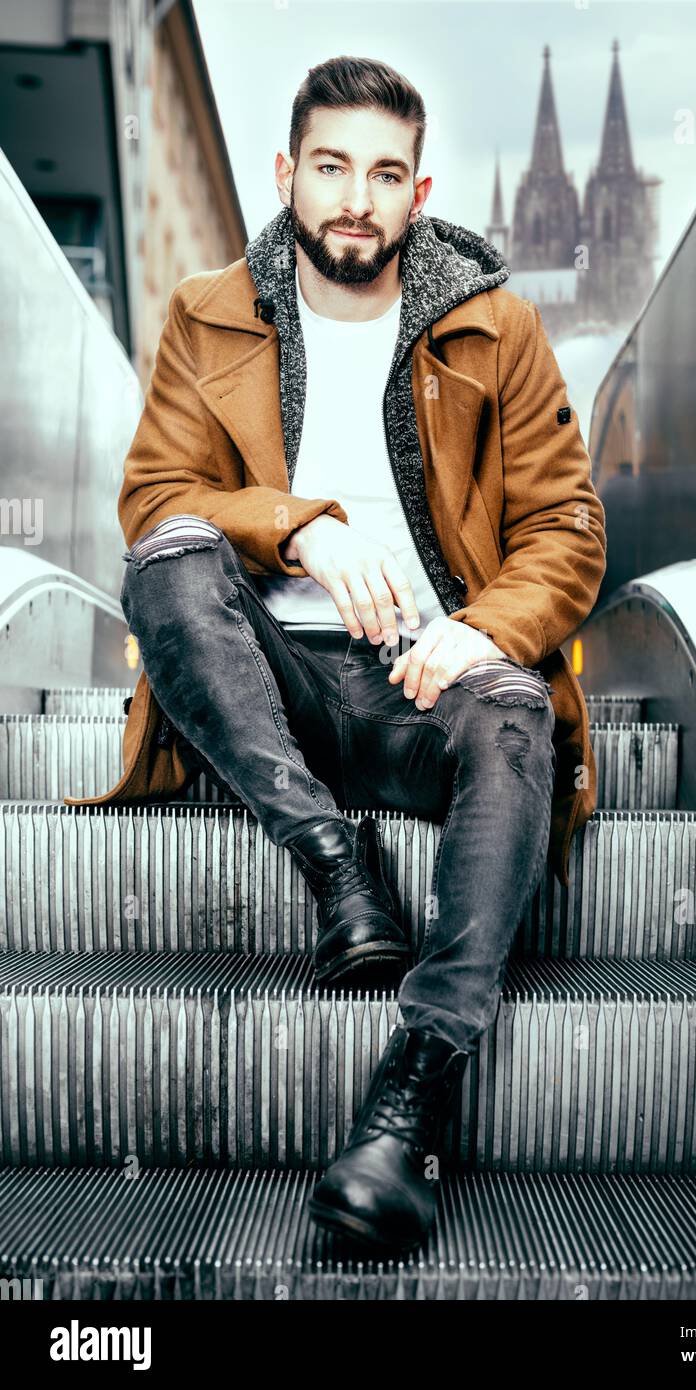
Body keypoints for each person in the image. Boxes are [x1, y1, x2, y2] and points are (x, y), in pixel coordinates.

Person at [112, 55, 606, 1252]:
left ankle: (411, 1089)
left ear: (417, 188)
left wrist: (478, 630)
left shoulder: (496, 324)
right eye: (330, 166)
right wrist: (302, 526)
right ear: (288, 173)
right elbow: (156, 498)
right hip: (266, 683)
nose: (355, 197)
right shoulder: (207, 312)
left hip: (427, 680)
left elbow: (567, 528)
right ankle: (336, 866)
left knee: (514, 713)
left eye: (384, 174)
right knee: (171, 557)